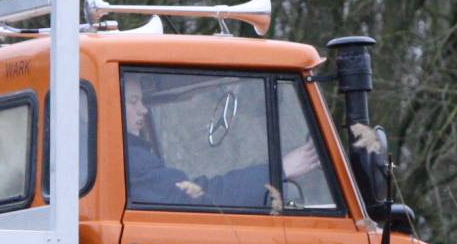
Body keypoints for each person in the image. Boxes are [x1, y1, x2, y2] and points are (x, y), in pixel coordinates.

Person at [123, 74, 320, 207]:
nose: (143, 110)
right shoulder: (129, 158)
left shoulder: (128, 155)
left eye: (142, 101)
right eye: (133, 101)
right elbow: (194, 198)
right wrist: (279, 171)